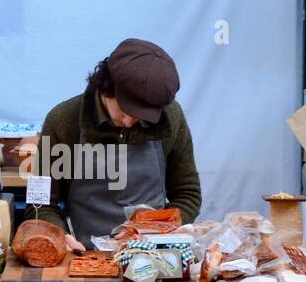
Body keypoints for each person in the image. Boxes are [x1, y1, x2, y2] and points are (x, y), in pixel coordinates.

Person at [32, 38, 201, 252]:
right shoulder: (63, 121)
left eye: (142, 117)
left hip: (153, 256)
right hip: (82, 257)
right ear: (106, 86)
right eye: (126, 109)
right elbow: (40, 204)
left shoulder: (170, 118)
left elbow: (187, 193)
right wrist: (58, 235)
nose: (130, 122)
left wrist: (160, 230)